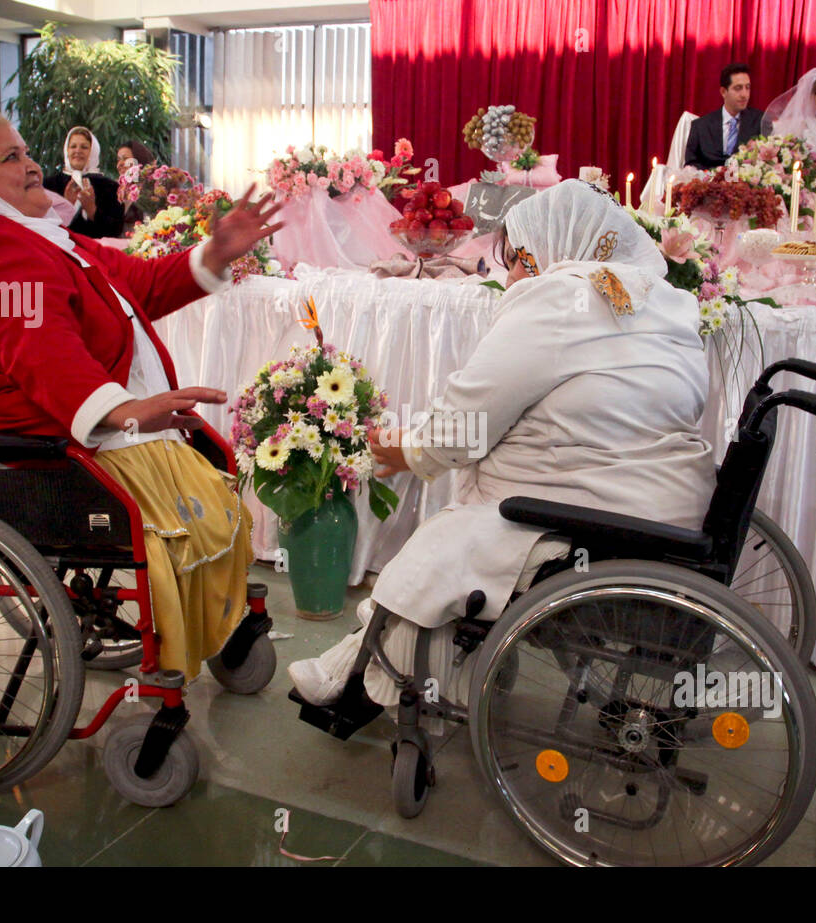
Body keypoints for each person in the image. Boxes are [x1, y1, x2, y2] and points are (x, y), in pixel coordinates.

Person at [288, 179, 717, 711]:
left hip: (601, 515)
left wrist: (411, 452)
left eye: (516, 260)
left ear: (550, 251)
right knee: (475, 496)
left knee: (456, 527)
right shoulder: (662, 302)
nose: (510, 276)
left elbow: (468, 417)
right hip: (667, 505)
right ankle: (385, 654)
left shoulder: (561, 296)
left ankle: (390, 669)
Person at [0, 108, 281, 680]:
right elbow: (41, 354)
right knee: (190, 510)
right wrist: (122, 409)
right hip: (29, 448)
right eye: (10, 157)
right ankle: (183, 641)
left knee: (210, 497)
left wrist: (215, 254)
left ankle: (207, 624)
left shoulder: (50, 242)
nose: (32, 165)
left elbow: (138, 284)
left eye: (24, 150)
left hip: (65, 435)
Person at [43, 125, 124, 239]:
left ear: (93, 151)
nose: (78, 151)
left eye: (84, 147)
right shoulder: (48, 185)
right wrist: (66, 206)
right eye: (73, 146)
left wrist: (92, 210)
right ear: (66, 150)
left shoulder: (111, 187)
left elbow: (116, 230)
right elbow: (42, 227)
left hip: (96, 252)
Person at [684, 63, 765, 170]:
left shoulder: (760, 121)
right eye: (738, 88)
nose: (744, 94)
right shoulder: (700, 126)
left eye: (747, 87)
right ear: (723, 92)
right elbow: (691, 165)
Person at [116, 139, 157, 233]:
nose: (120, 164)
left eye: (125, 158)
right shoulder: (116, 192)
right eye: (118, 160)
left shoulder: (153, 192)